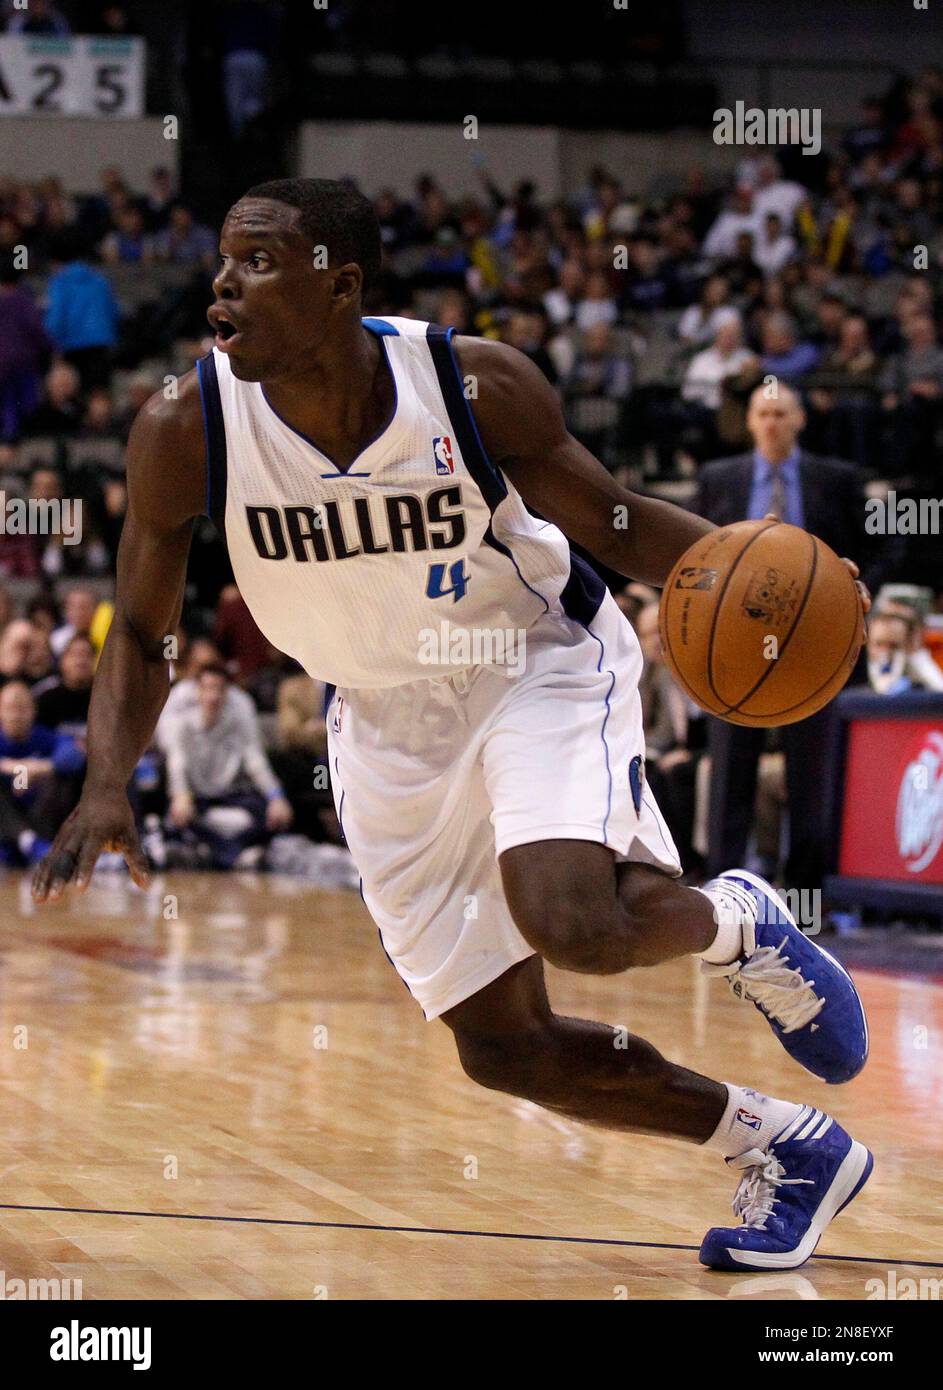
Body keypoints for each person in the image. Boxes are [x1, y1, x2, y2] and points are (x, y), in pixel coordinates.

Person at [32, 179, 873, 1273]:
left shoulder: (473, 386)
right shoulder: (182, 429)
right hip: (380, 714)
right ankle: (785, 1147)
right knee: (503, 1048)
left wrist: (785, 583)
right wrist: (108, 781)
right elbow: (141, 633)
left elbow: (618, 522)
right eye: (224, 261)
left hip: (529, 656)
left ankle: (738, 924)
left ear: (339, 287)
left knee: (572, 917)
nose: (224, 281)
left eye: (259, 261)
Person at [695, 384, 871, 893]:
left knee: (811, 778)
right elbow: (694, 554)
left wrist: (853, 591)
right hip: (734, 644)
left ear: (799, 420)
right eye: (763, 413)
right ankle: (722, 894)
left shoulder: (837, 480)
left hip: (815, 643)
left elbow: (877, 549)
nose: (771, 422)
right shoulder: (718, 478)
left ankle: (806, 899)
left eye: (780, 413)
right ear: (749, 422)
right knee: (730, 772)